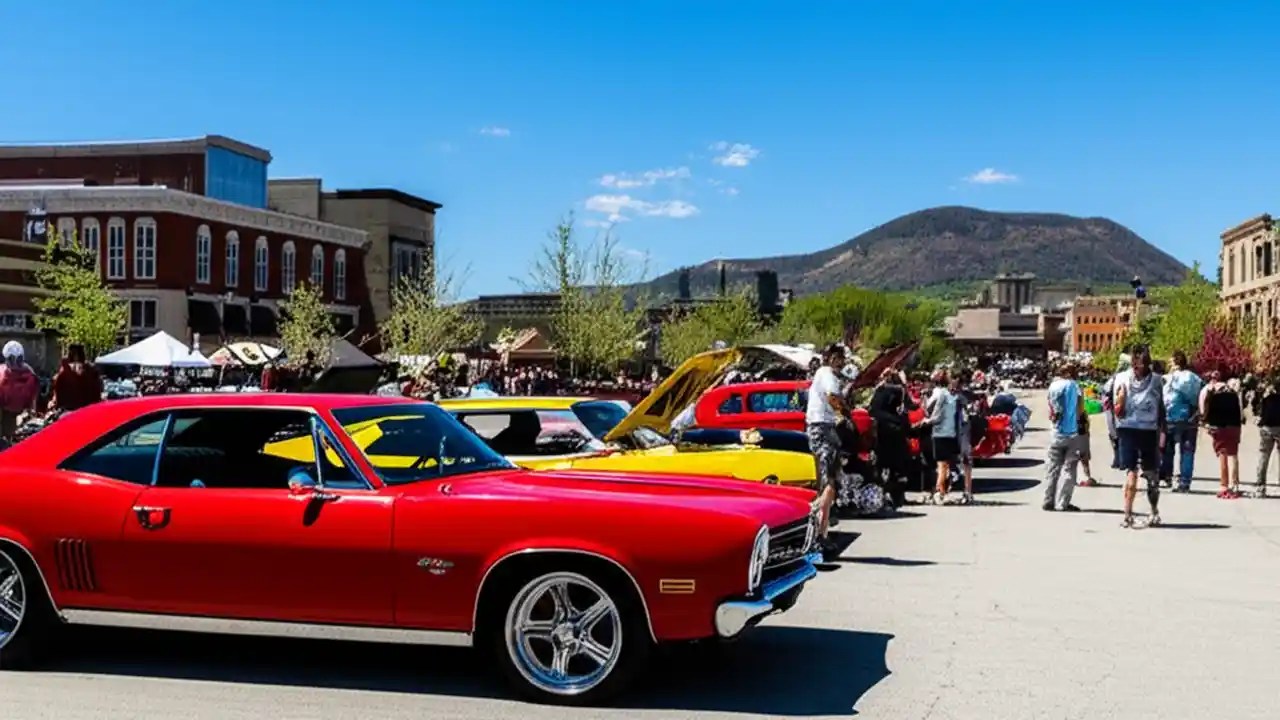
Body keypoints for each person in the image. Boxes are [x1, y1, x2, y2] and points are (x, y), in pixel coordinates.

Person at [1114, 347, 1164, 528]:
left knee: (1140, 472)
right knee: (1141, 472)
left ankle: (1136, 514)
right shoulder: (1157, 381)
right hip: (1140, 428)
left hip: (1135, 428)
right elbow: (1161, 408)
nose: (1138, 369)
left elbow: (1114, 407)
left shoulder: (1121, 378)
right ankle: (1143, 513)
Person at [805, 344, 847, 556]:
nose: (842, 361)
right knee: (829, 483)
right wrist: (845, 412)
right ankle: (817, 532)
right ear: (830, 358)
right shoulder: (827, 373)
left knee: (829, 483)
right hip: (823, 428)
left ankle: (822, 531)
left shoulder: (825, 375)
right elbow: (832, 398)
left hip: (821, 428)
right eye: (839, 357)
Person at [1044, 360, 1085, 512]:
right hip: (1071, 433)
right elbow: (1080, 409)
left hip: (1055, 432)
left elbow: (1050, 407)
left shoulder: (1052, 386)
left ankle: (1048, 500)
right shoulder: (1074, 386)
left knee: (1053, 469)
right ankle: (1063, 503)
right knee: (1070, 469)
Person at [868, 368, 911, 505]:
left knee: (884, 468)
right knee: (896, 469)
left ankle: (887, 495)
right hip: (892, 434)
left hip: (885, 434)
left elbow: (873, 410)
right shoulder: (899, 392)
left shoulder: (882, 392)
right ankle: (895, 496)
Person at [1161, 350, 1202, 493]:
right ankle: (1185, 482)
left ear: (1174, 363)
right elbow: (1202, 396)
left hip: (1169, 417)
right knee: (1187, 451)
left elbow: (1162, 398)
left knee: (1168, 449)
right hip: (1189, 418)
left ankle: (1167, 476)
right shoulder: (1195, 379)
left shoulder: (1166, 379)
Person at [1199, 370, 1243, 499]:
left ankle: (1224, 486)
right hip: (1234, 426)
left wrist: (1206, 424)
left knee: (1223, 455)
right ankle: (1235, 484)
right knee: (1233, 455)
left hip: (1220, 427)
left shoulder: (1211, 393)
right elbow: (1239, 411)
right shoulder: (1233, 393)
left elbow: (1206, 411)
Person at [922, 369, 959, 505]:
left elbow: (934, 415)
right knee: (946, 464)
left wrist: (924, 422)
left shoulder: (939, 395)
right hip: (951, 433)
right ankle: (943, 492)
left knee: (941, 465)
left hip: (939, 433)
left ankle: (938, 492)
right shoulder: (951, 396)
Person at [0, 341, 40, 442]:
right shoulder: (31, 375)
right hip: (18, 419)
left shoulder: (3, 373)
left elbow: (33, 401)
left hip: (18, 420)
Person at [49, 344, 104, 413]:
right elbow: (97, 391)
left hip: (70, 411)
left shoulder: (64, 372)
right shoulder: (91, 370)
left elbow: (58, 391)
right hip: (86, 410)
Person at [1252, 372, 1280, 498]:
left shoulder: (1267, 399)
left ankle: (1260, 487)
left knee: (1264, 457)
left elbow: (1261, 414)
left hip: (1267, 429)